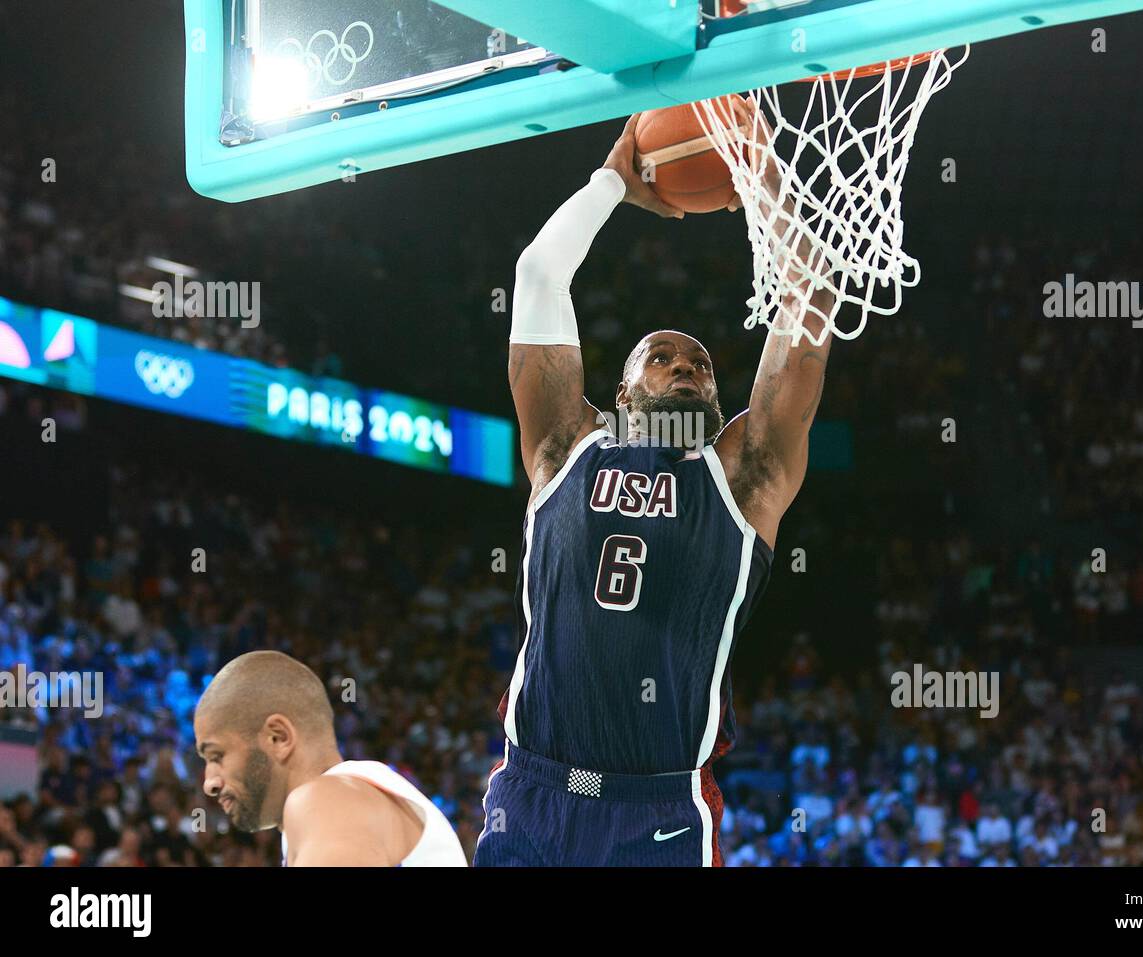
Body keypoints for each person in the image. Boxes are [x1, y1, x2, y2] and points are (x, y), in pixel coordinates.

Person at [478, 112, 835, 867]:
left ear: (716, 401)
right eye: (662, 356)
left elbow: (808, 298)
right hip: (532, 791)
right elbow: (539, 274)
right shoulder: (564, 444)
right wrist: (611, 182)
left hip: (660, 811)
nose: (685, 366)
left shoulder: (743, 474)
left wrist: (760, 173)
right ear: (622, 389)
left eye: (700, 364)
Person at [194, 651, 465, 866]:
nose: (210, 783)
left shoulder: (324, 801)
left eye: (217, 755)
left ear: (278, 738)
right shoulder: (350, 801)